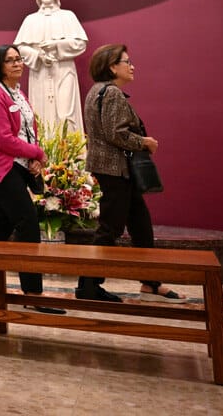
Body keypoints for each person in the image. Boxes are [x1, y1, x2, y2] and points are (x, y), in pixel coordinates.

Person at [75, 45, 186, 303]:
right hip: (116, 170)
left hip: (114, 170)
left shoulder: (95, 91)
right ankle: (88, 286)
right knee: (109, 229)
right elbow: (117, 133)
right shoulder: (111, 93)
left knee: (141, 225)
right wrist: (144, 142)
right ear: (112, 66)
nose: (132, 66)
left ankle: (150, 282)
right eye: (127, 61)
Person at [0, 45, 65, 315]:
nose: (16, 64)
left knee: (3, 224)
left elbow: (27, 130)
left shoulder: (17, 93)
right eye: (9, 60)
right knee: (28, 222)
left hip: (19, 164)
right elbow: (3, 139)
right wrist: (37, 153)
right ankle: (33, 292)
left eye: (18, 59)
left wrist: (33, 158)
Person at [14, 0, 88, 133]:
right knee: (41, 114)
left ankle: (72, 154)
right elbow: (19, 47)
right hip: (40, 71)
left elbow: (80, 43)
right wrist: (38, 56)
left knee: (66, 113)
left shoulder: (67, 16)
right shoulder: (30, 20)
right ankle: (44, 154)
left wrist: (56, 45)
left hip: (63, 70)